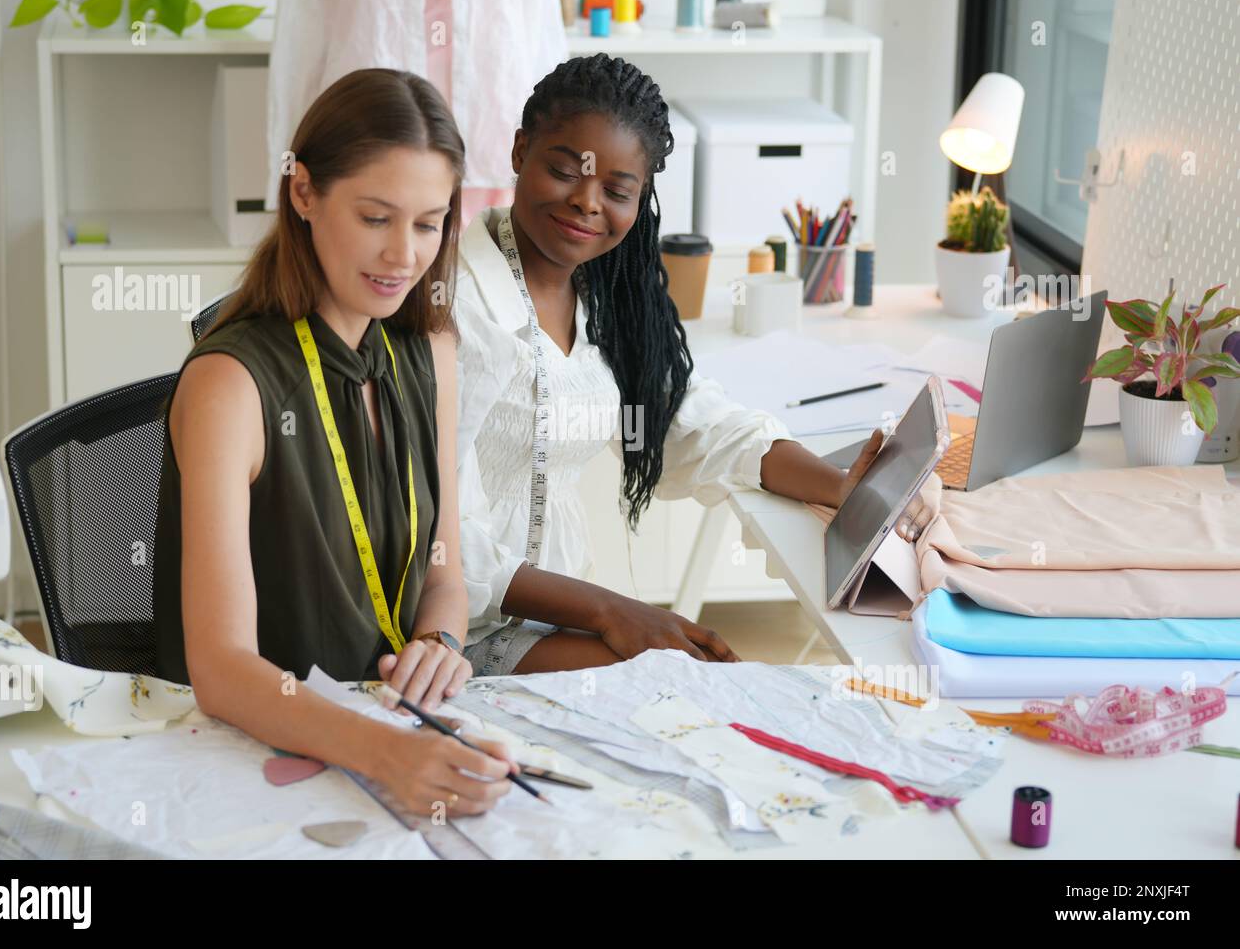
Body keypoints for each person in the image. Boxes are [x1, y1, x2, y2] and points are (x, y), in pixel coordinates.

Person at [453, 54, 931, 676]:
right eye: (564, 171)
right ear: (520, 151)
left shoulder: (605, 294)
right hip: (451, 625)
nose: (587, 203)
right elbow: (444, 541)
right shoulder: (456, 307)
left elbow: (695, 421)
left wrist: (841, 488)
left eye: (618, 192)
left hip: (550, 608)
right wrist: (612, 611)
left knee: (700, 675)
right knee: (678, 677)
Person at [153, 69, 512, 816]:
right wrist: (388, 752)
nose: (404, 257)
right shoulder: (230, 385)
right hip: (253, 750)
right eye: (376, 218)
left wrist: (438, 648)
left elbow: (444, 572)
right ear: (304, 194)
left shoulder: (429, 350)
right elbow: (220, 671)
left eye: (428, 222)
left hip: (387, 724)